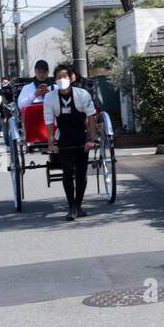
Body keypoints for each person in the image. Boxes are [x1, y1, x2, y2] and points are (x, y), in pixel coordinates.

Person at [45, 63, 98, 220]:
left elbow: (91, 118)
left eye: (65, 77)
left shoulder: (82, 94)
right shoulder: (50, 97)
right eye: (59, 77)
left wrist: (91, 139)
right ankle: (71, 206)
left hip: (81, 138)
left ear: (71, 78)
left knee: (81, 173)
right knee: (67, 173)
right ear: (55, 80)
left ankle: (79, 205)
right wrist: (51, 143)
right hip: (64, 139)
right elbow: (49, 121)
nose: (62, 80)